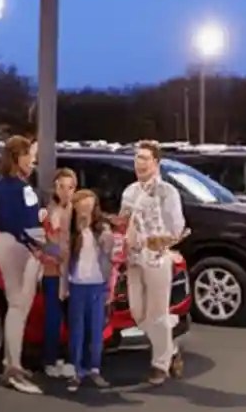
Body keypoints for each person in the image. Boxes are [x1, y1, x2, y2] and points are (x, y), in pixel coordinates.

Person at [118, 140, 187, 386]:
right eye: (137, 158)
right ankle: (172, 349)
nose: (140, 163)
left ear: (156, 163)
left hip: (157, 258)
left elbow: (177, 228)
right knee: (138, 313)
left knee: (158, 313)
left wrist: (164, 241)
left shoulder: (167, 192)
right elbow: (123, 222)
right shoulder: (130, 191)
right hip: (134, 258)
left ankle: (160, 366)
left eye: (145, 158)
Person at [0, 135, 53, 394]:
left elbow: (27, 218)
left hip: (20, 245)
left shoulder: (13, 185)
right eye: (31, 157)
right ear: (18, 157)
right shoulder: (11, 186)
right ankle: (12, 369)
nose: (34, 162)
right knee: (18, 305)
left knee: (20, 306)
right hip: (17, 247)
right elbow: (16, 222)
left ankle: (13, 362)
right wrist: (38, 245)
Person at [64, 189, 114, 392]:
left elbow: (110, 250)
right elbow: (61, 255)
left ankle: (94, 368)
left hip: (97, 284)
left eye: (89, 207)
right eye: (81, 207)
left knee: (95, 330)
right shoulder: (70, 231)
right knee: (77, 330)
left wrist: (105, 236)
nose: (85, 211)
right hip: (77, 285)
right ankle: (76, 370)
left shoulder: (101, 229)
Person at [41, 167, 77, 379]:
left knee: (72, 318)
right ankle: (49, 360)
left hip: (73, 273)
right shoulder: (48, 212)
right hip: (53, 272)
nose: (65, 191)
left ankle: (71, 359)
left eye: (70, 187)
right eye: (61, 186)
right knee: (53, 318)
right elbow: (44, 242)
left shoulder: (77, 211)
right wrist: (55, 255)